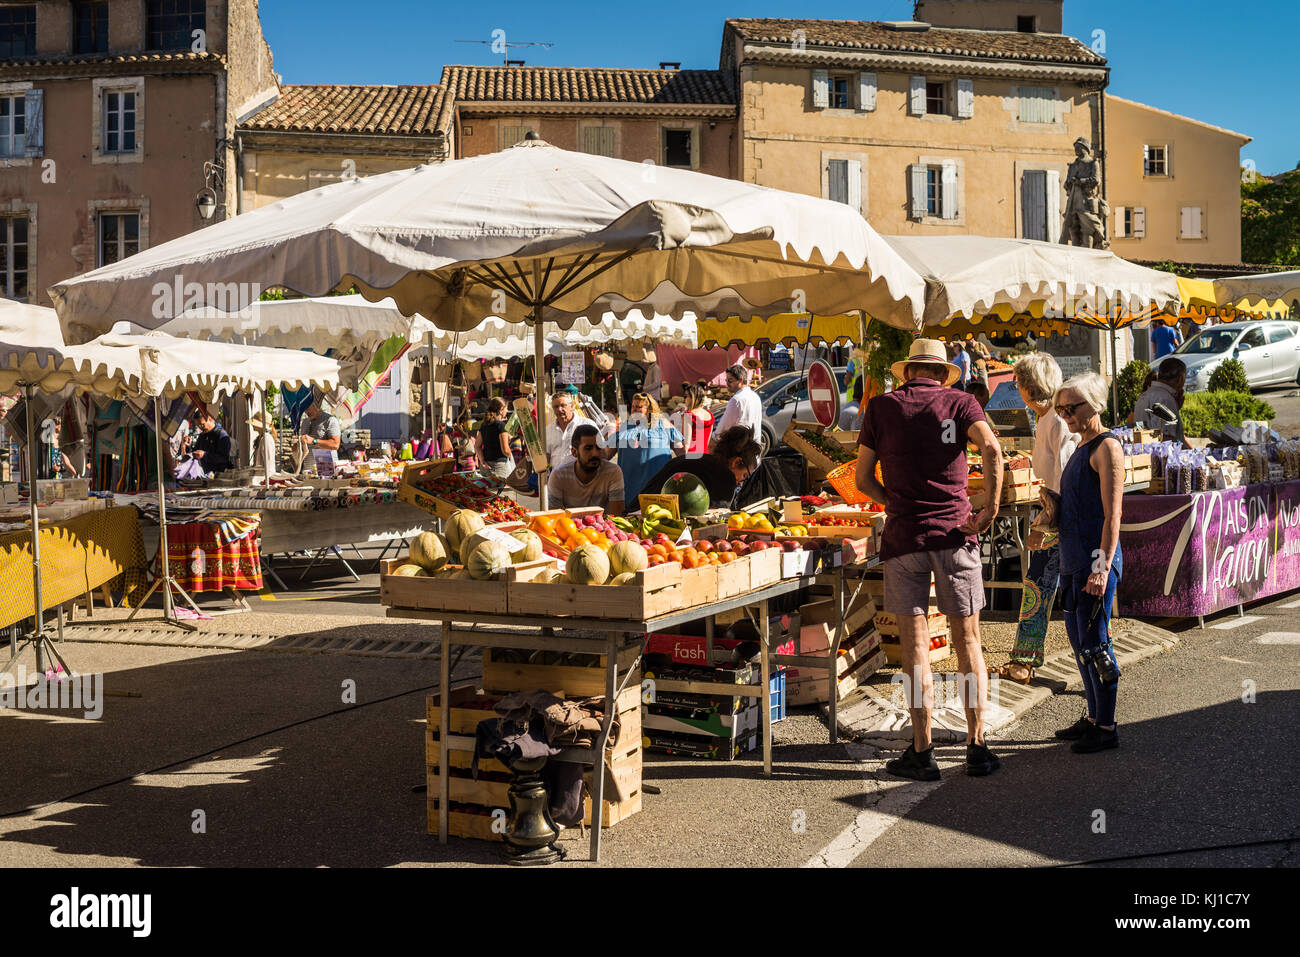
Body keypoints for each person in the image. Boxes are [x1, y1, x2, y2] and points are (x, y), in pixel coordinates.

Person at [854, 338, 1003, 780]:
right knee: (968, 641)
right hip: (957, 533)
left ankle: (922, 751)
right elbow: (992, 450)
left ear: (906, 373)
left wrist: (894, 502)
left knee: (915, 648)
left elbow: (862, 478)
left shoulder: (880, 408)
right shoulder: (961, 403)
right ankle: (977, 746)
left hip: (904, 539)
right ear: (942, 372)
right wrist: (989, 510)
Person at [1053, 372, 1124, 753]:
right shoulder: (1081, 446)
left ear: (1094, 404)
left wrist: (1101, 567)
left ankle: (1107, 727)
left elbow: (1113, 515)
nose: (1064, 414)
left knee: (1097, 644)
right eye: (1059, 408)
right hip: (1072, 560)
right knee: (1081, 645)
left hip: (1093, 562)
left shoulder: (1106, 447)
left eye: (1071, 407)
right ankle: (1095, 716)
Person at [1000, 354, 1078, 684]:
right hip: (1058, 513)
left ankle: (1024, 662)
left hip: (1062, 516)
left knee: (1040, 586)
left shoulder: (1056, 422)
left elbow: (1062, 481)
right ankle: (1027, 660)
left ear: (1029, 388)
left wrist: (1046, 526)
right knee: (1047, 588)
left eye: (1018, 383)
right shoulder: (1048, 419)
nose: (1016, 389)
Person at [642, 425, 761, 509]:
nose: (741, 483)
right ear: (736, 462)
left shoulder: (700, 460)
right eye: (744, 476)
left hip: (638, 510)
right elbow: (715, 517)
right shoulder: (725, 477)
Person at [614, 392, 684, 501]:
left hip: (657, 490)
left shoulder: (663, 425)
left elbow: (682, 454)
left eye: (639, 407)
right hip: (628, 491)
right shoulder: (623, 427)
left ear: (649, 409)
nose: (634, 410)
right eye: (632, 406)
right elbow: (605, 453)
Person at [547, 424, 625, 513]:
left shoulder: (613, 472)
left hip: (606, 526)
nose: (595, 453)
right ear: (574, 452)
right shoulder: (559, 476)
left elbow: (617, 517)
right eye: (588, 448)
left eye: (598, 447)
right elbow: (555, 517)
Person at [1132, 358, 1186, 444]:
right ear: (1180, 379)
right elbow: (1165, 438)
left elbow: (1142, 428)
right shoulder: (1165, 399)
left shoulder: (1146, 395)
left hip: (1145, 450)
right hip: (1159, 454)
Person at [545, 389, 598, 472]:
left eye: (563, 405)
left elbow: (600, 450)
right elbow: (546, 456)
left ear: (572, 406)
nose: (559, 409)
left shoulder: (587, 424)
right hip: (557, 478)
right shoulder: (548, 430)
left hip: (583, 478)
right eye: (556, 406)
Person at [711, 364, 762, 449]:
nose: (727, 384)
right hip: (753, 448)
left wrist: (713, 438)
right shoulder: (755, 396)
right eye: (726, 380)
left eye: (730, 381)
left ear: (740, 380)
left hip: (739, 451)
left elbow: (723, 427)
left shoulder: (736, 400)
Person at [475, 397, 514, 481]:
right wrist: (511, 455)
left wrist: (482, 461)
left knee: (488, 493)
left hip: (485, 466)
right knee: (502, 493)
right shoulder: (501, 426)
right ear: (501, 410)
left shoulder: (484, 425)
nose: (507, 411)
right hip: (499, 468)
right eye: (506, 408)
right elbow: (505, 450)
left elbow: (477, 446)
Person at [672, 384, 714, 455]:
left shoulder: (689, 415)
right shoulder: (709, 414)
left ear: (693, 398)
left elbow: (686, 445)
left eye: (685, 396)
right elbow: (707, 442)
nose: (684, 399)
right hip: (704, 455)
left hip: (691, 457)